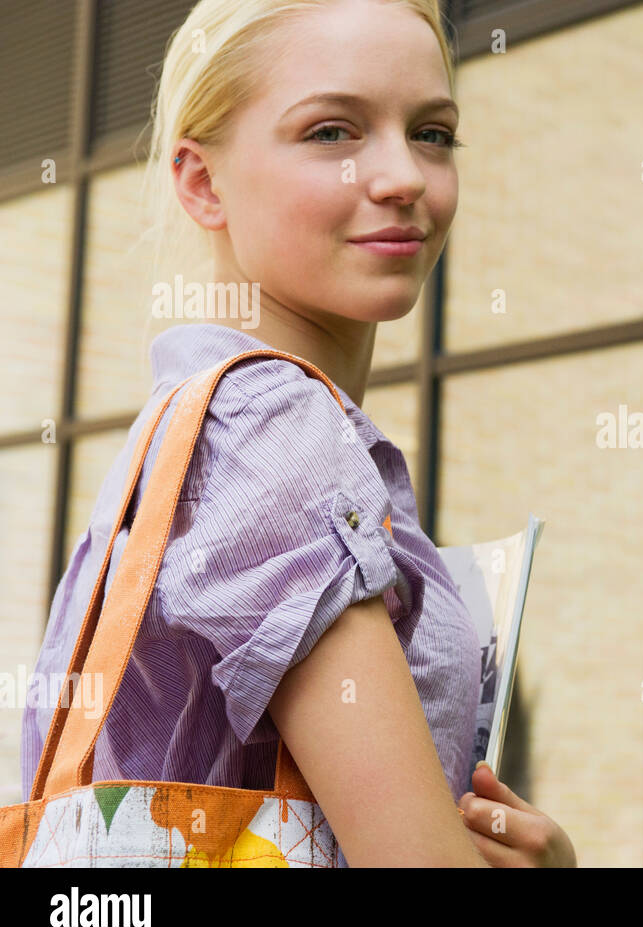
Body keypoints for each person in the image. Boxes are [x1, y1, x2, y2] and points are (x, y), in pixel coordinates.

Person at [20, 0, 575, 868]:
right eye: (331, 132)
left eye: (432, 132)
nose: (402, 177)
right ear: (203, 182)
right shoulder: (269, 426)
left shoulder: (194, 423)